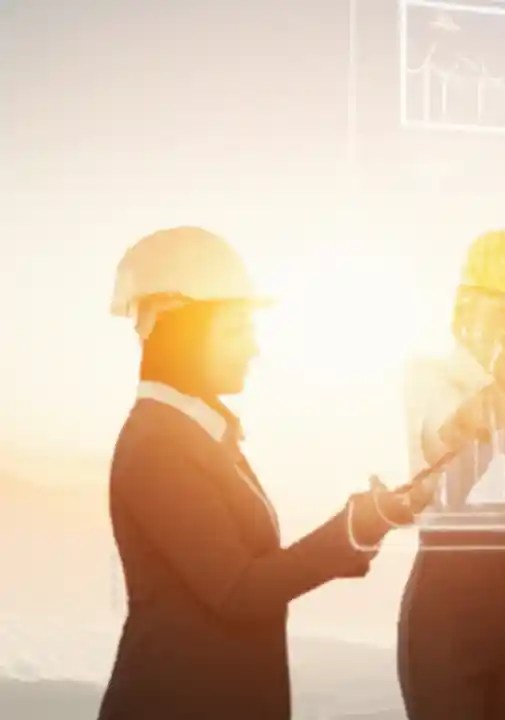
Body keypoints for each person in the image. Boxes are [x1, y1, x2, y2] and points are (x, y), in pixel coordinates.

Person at [100, 227, 406, 720]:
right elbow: (238, 592)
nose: (252, 349)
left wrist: (369, 524)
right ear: (179, 329)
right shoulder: (157, 446)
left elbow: (258, 567)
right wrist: (351, 529)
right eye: (235, 330)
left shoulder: (199, 435)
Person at [398, 229, 505, 720]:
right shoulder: (429, 376)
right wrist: (491, 389)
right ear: (471, 311)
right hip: (446, 594)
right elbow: (451, 424)